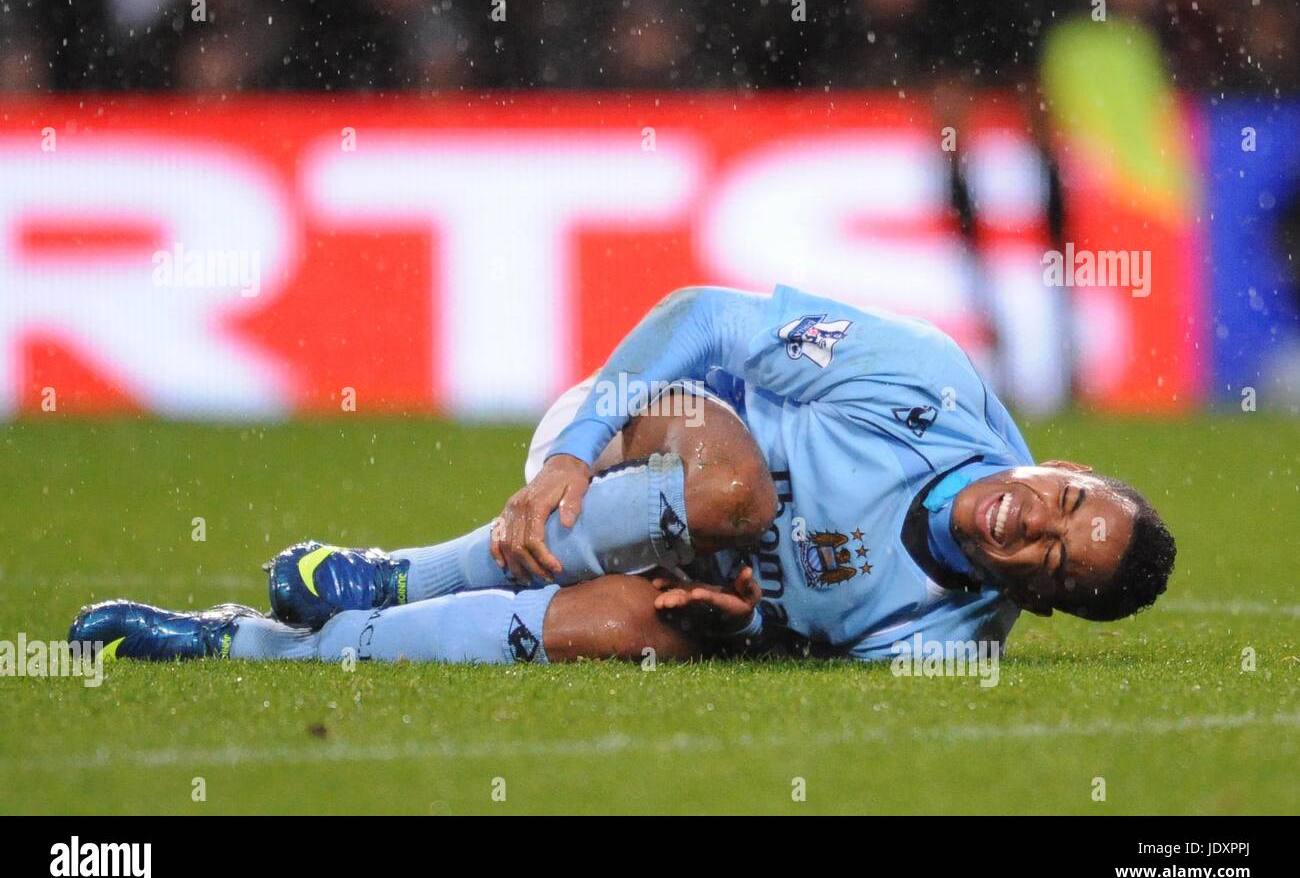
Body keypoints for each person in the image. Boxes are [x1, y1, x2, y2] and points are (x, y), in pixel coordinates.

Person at [72, 285, 1176, 664]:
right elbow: (706, 317)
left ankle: (241, 642)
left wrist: (737, 620)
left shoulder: (943, 642)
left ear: (1036, 600)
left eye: (1051, 560)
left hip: (689, 548)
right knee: (737, 488)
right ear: (1068, 465)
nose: (1031, 521)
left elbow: (798, 648)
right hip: (623, 432)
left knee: (635, 636)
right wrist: (566, 453)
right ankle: (402, 572)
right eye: (1066, 499)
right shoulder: (925, 383)